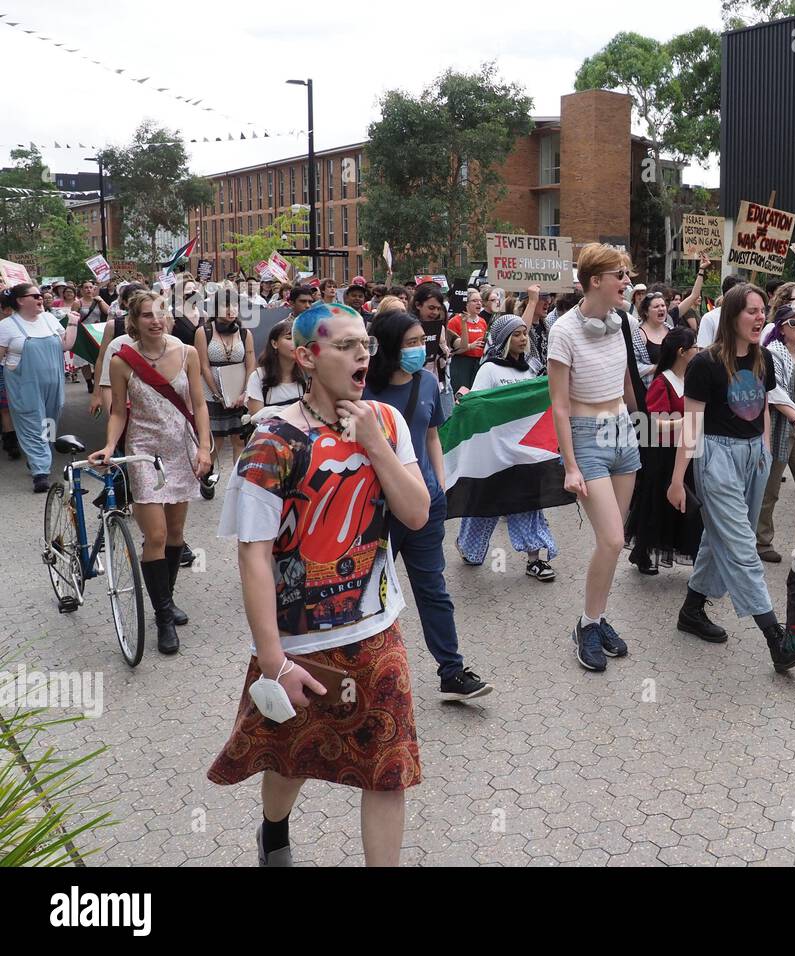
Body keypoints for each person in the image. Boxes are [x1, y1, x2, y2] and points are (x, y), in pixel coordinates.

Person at [208, 300, 431, 867]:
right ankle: (274, 831)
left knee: (387, 773)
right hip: (300, 643)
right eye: (345, 345)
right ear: (306, 357)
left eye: (366, 345)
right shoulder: (271, 442)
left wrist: (374, 445)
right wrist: (273, 659)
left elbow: (416, 514)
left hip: (376, 630)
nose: (363, 354)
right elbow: (253, 556)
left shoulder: (386, 422)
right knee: (289, 759)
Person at [667, 283, 795, 672]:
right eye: (752, 311)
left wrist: (763, 449)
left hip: (752, 457)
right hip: (715, 457)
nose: (760, 317)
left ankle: (692, 610)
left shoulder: (762, 358)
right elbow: (691, 426)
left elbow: (763, 405)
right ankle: (776, 639)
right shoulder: (704, 364)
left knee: (720, 537)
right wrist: (678, 480)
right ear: (731, 316)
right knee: (743, 545)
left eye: (763, 310)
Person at [364, 308, 493, 701]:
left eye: (422, 342)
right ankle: (366, 677)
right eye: (411, 344)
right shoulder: (363, 391)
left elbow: (433, 436)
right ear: (388, 347)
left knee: (433, 589)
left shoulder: (428, 382)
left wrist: (439, 483)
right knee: (372, 591)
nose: (420, 349)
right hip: (376, 510)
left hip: (425, 504)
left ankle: (451, 672)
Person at [90, 292, 210, 654]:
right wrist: (111, 447)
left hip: (181, 450)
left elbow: (199, 404)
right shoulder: (122, 359)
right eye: (146, 316)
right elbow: (118, 413)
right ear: (134, 320)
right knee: (154, 535)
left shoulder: (187, 353)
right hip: (143, 453)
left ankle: (167, 599)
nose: (155, 321)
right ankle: (162, 618)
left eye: (161, 314)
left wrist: (204, 447)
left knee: (175, 533)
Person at [547, 244, 641, 672]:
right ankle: (586, 626)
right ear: (595, 281)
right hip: (587, 439)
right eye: (619, 275)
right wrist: (569, 465)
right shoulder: (563, 331)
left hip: (624, 433)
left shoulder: (621, 322)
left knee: (615, 540)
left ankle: (597, 618)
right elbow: (559, 406)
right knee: (613, 539)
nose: (626, 281)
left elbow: (626, 382)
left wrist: (641, 429)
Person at [454, 314, 560, 581]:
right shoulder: (489, 370)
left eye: (525, 333)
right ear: (503, 339)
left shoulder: (531, 371)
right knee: (485, 504)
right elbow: (478, 407)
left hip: (525, 453)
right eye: (517, 334)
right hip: (494, 454)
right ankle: (470, 548)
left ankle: (535, 559)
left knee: (527, 503)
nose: (523, 339)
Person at [625, 327, 702, 575]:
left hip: (685, 450)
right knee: (656, 504)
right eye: (694, 347)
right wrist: (684, 422)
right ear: (682, 352)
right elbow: (653, 422)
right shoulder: (662, 382)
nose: (698, 350)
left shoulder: (691, 378)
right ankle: (642, 551)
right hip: (663, 453)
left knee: (685, 505)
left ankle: (695, 553)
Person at [0, 283, 80, 492]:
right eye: (34, 295)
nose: (40, 298)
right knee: (31, 422)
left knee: (49, 421)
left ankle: (40, 456)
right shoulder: (7, 326)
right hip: (24, 385)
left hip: (54, 383)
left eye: (40, 295)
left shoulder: (49, 318)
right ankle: (40, 472)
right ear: (20, 301)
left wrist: (72, 323)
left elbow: (65, 345)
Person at [755, 305, 795, 562]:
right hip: (781, 424)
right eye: (793, 323)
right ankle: (761, 542)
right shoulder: (773, 353)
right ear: (781, 328)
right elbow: (775, 391)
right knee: (770, 488)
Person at [196, 292, 257, 494]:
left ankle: (237, 483)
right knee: (217, 440)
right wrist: (217, 395)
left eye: (234, 306)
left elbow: (250, 363)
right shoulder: (203, 331)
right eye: (225, 306)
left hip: (239, 392)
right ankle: (206, 474)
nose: (231, 310)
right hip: (212, 392)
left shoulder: (245, 333)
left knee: (240, 439)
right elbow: (203, 366)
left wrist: (245, 392)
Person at [245, 320, 307, 418]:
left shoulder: (306, 375)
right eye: (289, 338)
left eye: (299, 339)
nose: (296, 343)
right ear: (274, 343)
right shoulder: (258, 377)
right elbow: (257, 418)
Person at [447, 289, 489, 393]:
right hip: (461, 363)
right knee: (462, 394)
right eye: (474, 301)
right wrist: (470, 346)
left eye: (480, 300)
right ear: (466, 304)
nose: (479, 303)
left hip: (478, 362)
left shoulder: (483, 321)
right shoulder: (455, 321)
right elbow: (450, 350)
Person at [632, 291, 673, 386]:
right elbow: (633, 366)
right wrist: (658, 367)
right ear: (646, 312)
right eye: (656, 307)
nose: (661, 309)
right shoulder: (637, 333)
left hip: (674, 387)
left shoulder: (672, 330)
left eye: (663, 305)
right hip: (650, 388)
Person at [695, 274, 742, 348]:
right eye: (739, 295)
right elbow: (702, 349)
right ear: (726, 295)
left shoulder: (749, 318)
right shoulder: (710, 318)